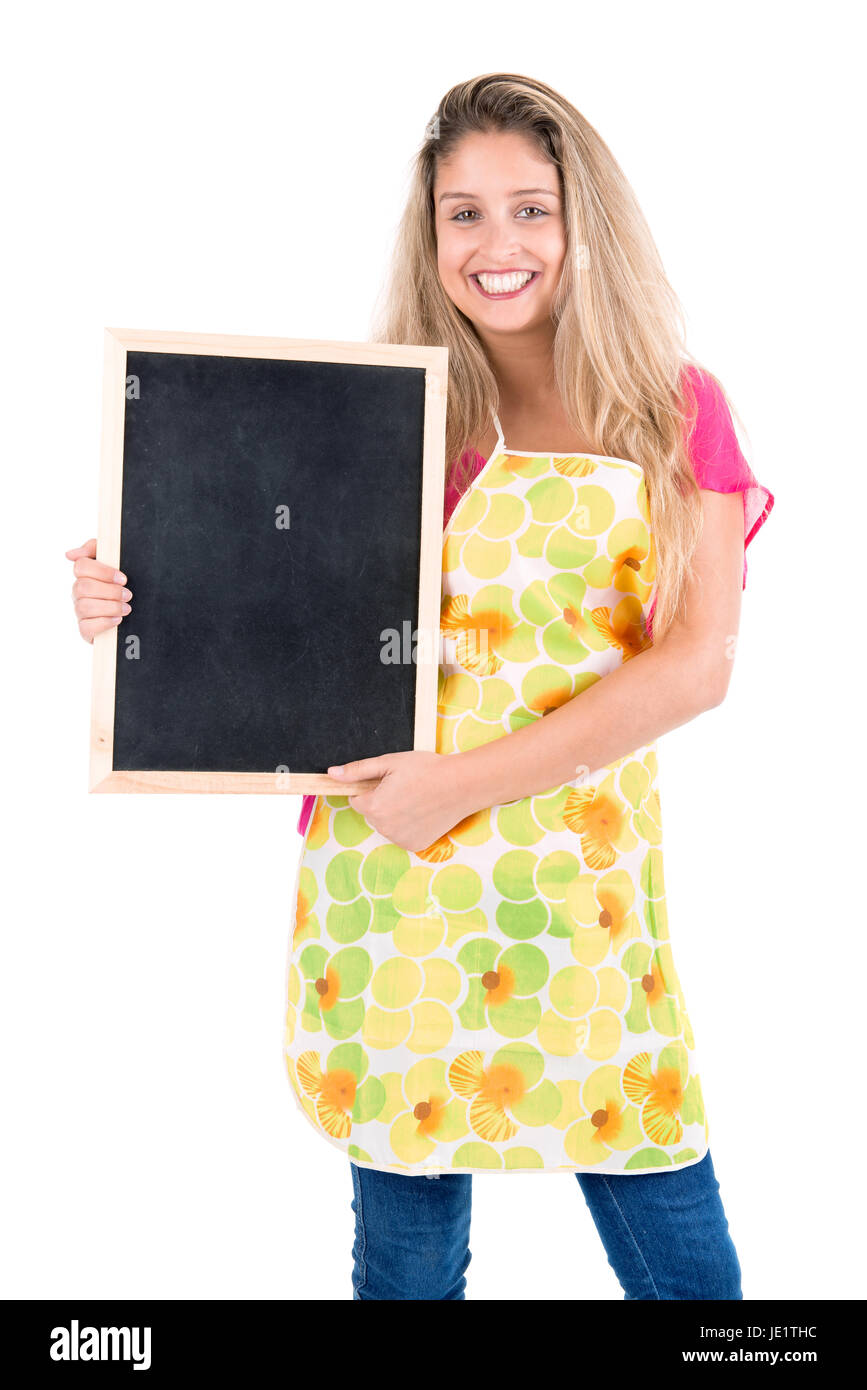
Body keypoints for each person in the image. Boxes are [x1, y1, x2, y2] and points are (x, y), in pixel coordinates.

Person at [67, 73, 774, 1301]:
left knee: (662, 1193)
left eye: (530, 209)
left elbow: (697, 666)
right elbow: (274, 598)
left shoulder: (669, 408)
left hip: (576, 877)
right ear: (429, 229)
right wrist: (137, 597)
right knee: (404, 1235)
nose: (497, 246)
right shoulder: (393, 409)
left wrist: (461, 784)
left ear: (582, 218)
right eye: (464, 214)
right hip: (394, 874)